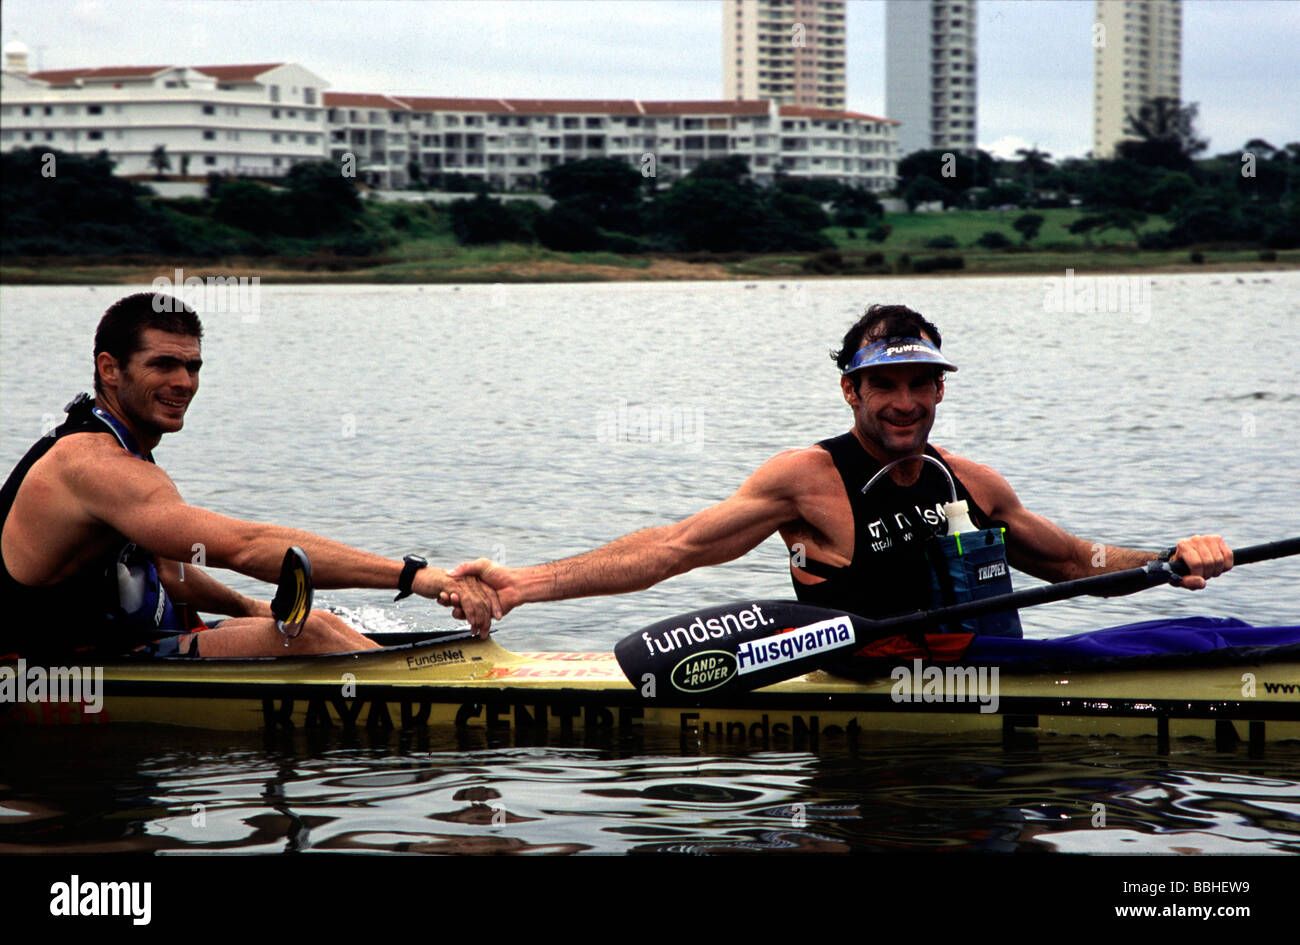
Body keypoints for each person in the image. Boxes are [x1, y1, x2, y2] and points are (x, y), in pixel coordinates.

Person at [445, 304, 1232, 653]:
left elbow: (1072, 564)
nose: (904, 402)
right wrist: (524, 583)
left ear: (939, 391)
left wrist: (1168, 558)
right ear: (851, 391)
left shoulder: (975, 482)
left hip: (994, 682)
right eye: (884, 385)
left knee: (1208, 636)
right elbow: (676, 547)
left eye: (920, 382)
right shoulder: (808, 478)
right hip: (866, 695)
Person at [0, 292, 497, 662]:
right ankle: (435, 690)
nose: (184, 383)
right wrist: (416, 576)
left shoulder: (122, 452)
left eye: (193, 366)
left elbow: (170, 573)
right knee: (311, 633)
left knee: (313, 622)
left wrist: (250, 609)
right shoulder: (92, 463)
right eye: (164, 365)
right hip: (52, 670)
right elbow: (245, 545)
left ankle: (430, 674)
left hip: (118, 646)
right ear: (110, 369)